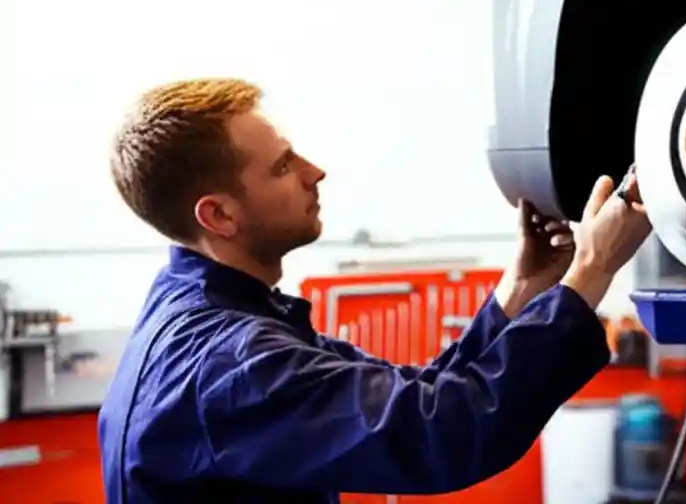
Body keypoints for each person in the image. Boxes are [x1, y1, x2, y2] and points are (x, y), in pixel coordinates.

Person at [97, 77, 652, 504]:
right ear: (219, 215)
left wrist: (524, 288)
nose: (316, 172)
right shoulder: (231, 364)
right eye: (283, 166)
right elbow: (443, 432)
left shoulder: (209, 315)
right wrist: (593, 267)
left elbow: (418, 393)